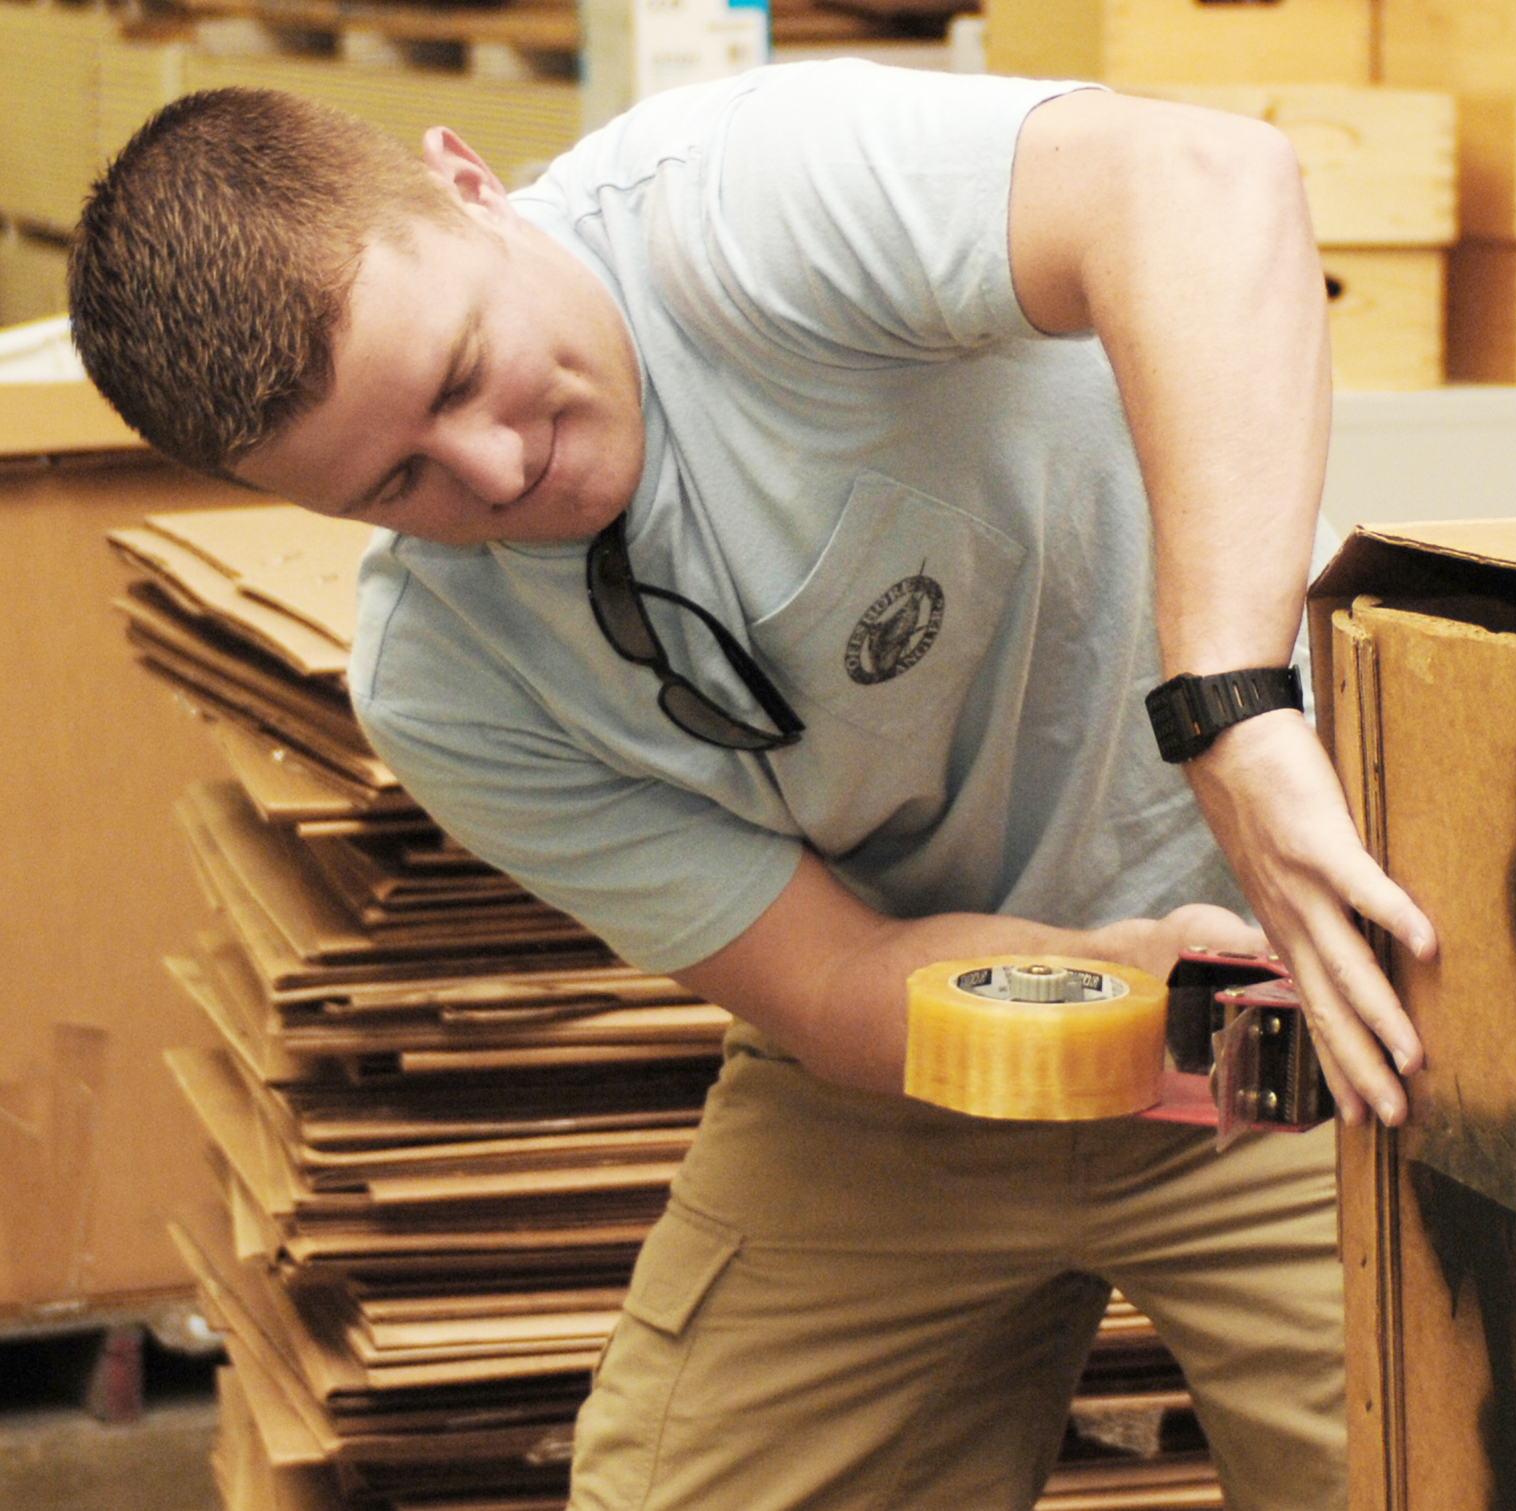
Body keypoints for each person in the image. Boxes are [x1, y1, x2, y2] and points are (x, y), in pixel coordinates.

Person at [69, 62, 1437, 1510]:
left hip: (1308, 986)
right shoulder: (449, 688)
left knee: (1466, 1449)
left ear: (471, 184)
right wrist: (1116, 999)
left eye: (463, 372)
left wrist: (1232, 711)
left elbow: (1207, 179)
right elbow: (835, 984)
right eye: (393, 486)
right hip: (944, 1047)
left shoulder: (738, 207)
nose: (493, 467)